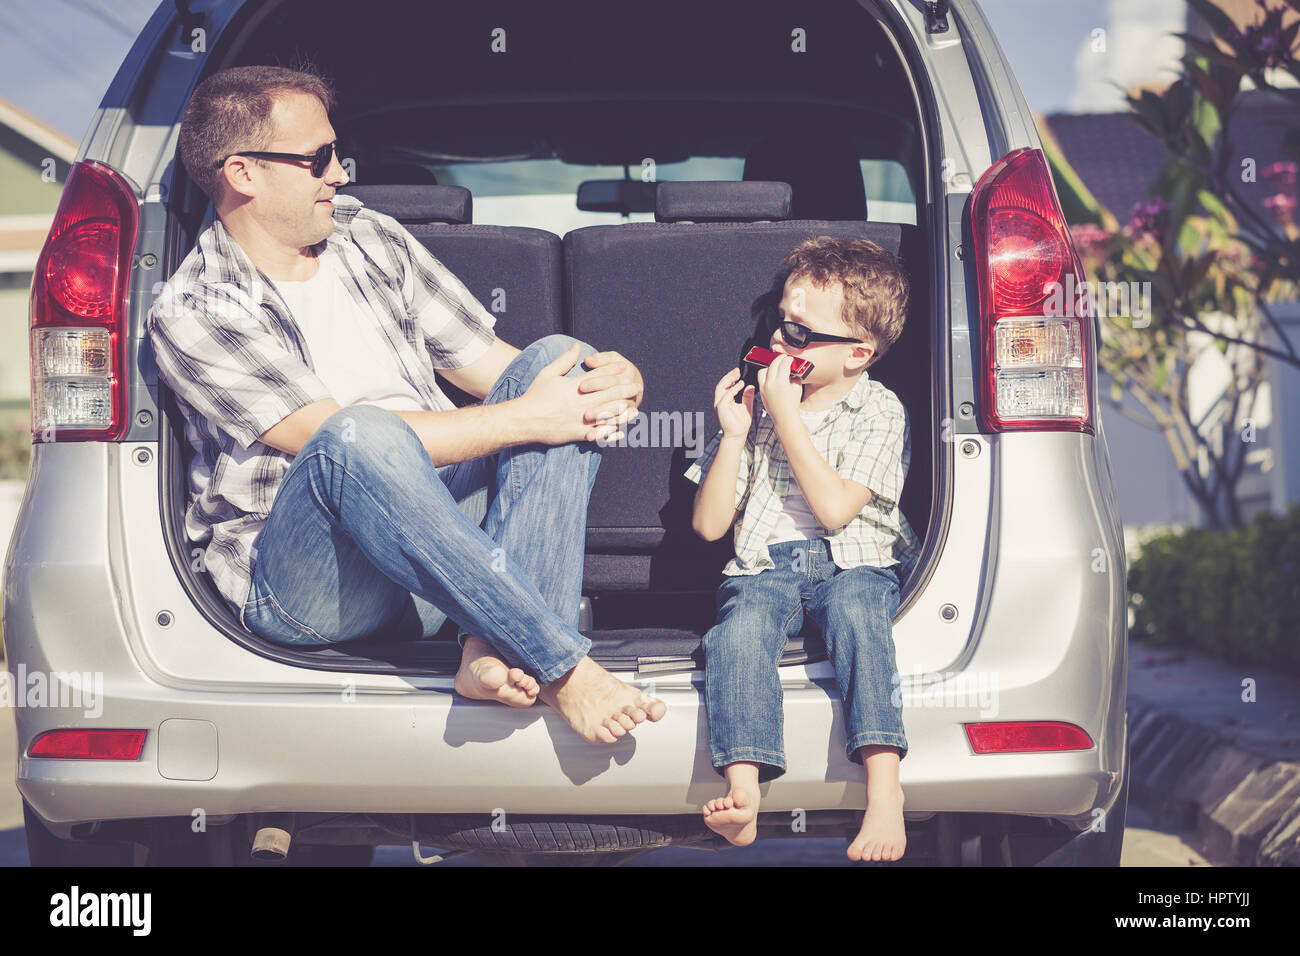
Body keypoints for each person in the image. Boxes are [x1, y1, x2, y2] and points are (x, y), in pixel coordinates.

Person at [147, 64, 665, 745]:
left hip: (433, 561)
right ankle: (563, 665)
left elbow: (509, 375)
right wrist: (534, 417)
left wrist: (611, 381)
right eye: (319, 158)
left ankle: (489, 647)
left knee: (557, 355)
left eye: (337, 152)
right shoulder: (195, 306)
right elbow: (327, 440)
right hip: (314, 583)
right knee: (358, 434)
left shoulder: (370, 237)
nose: (340, 173)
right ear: (243, 173)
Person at [684, 235, 920, 860]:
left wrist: (784, 415)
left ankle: (885, 791)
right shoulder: (756, 411)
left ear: (857, 354)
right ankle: (744, 791)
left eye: (800, 332)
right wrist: (736, 434)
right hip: (764, 567)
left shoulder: (880, 411)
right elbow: (709, 527)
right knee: (734, 637)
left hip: (854, 561)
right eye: (778, 325)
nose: (781, 343)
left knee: (862, 624)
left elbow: (836, 510)